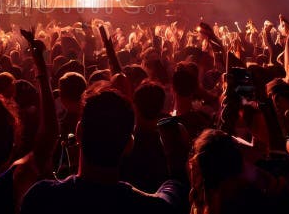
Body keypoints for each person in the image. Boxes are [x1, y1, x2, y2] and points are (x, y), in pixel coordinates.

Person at [21, 87, 188, 214]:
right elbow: (174, 191)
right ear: (129, 144)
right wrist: (175, 158)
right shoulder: (149, 207)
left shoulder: (41, 199)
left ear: (79, 132)